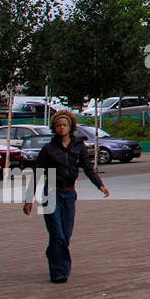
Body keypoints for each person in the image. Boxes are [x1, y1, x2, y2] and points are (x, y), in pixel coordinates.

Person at [23, 109, 109, 284]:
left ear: (70, 127)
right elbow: (37, 173)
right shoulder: (48, 149)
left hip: (69, 194)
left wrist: (100, 185)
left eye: (64, 125)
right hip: (51, 193)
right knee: (57, 234)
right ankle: (59, 271)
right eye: (58, 125)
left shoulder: (79, 147)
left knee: (66, 234)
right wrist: (28, 199)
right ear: (54, 128)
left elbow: (88, 169)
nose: (61, 128)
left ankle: (53, 254)